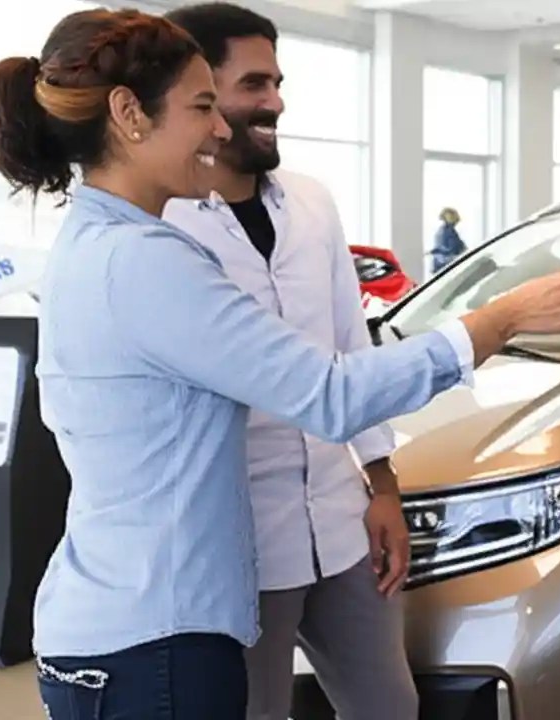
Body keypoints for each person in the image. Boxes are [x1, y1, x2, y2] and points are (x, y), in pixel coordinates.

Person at [0, 8, 560, 718]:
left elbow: (345, 345)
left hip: (137, 616)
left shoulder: (100, 242)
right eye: (203, 105)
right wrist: (497, 320)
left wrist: (380, 480)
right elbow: (330, 392)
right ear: (129, 114)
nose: (218, 128)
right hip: (160, 636)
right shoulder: (146, 258)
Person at [160, 4, 411, 718]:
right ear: (201, 94)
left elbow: (350, 344)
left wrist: (384, 487)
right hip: (238, 546)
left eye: (276, 83)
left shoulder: (312, 202)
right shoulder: (165, 225)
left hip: (340, 523)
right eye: (254, 84)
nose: (275, 102)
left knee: (390, 706)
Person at [430, 207, 466, 275]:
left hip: (442, 263)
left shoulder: (444, 230)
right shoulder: (448, 231)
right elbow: (452, 249)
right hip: (446, 265)